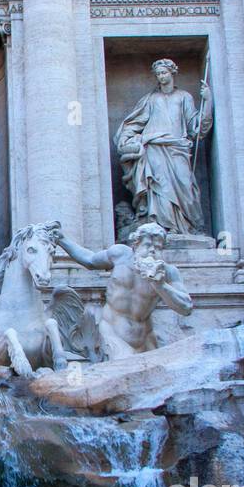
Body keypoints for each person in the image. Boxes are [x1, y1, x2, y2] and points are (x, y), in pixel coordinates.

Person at [52, 222, 193, 359]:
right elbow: (89, 260)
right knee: (125, 368)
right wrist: (62, 240)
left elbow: (186, 307)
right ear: (135, 245)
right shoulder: (120, 255)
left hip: (145, 338)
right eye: (148, 245)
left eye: (158, 247)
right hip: (112, 332)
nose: (152, 251)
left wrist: (160, 285)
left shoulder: (167, 273)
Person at [115, 58, 212, 235]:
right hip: (154, 147)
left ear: (172, 73)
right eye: (158, 74)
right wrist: (127, 138)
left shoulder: (184, 97)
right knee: (159, 187)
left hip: (178, 148)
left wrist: (207, 102)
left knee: (185, 185)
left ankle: (187, 227)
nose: (161, 76)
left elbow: (196, 128)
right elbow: (134, 123)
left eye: (164, 73)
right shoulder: (150, 99)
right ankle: (163, 226)